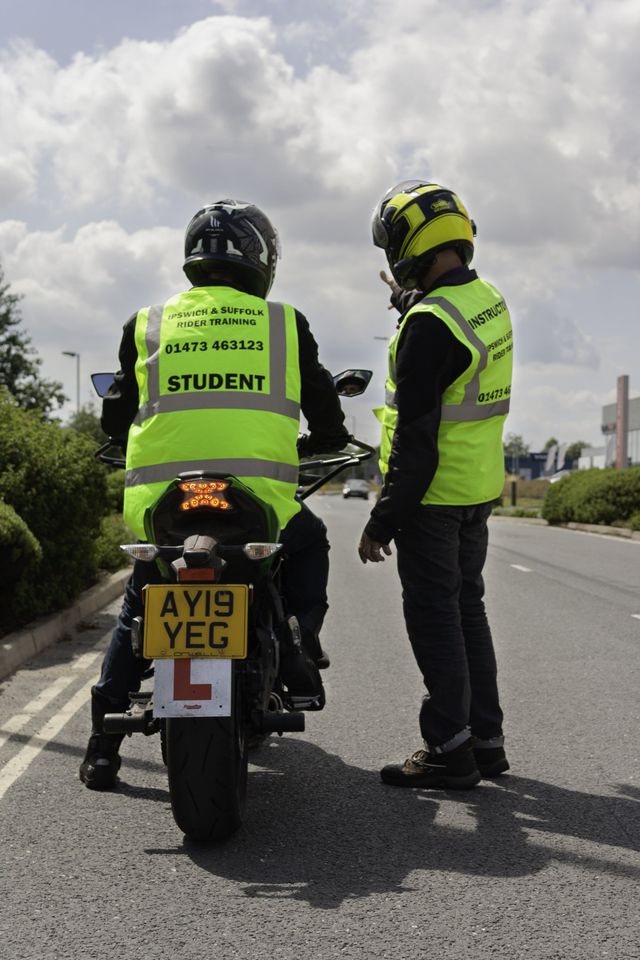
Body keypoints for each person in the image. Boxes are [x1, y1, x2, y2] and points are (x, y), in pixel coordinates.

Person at [80, 199, 350, 790]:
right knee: (309, 541)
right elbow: (324, 403)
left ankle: (103, 744)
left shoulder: (146, 323)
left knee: (142, 598)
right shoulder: (283, 324)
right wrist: (330, 438)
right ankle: (299, 645)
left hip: (163, 505)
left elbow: (115, 417)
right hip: (256, 501)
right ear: (261, 259)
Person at [359, 180, 513, 789]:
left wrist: (383, 519)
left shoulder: (428, 326)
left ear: (408, 243)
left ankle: (449, 748)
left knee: (434, 619)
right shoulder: (486, 300)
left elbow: (416, 444)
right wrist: (409, 303)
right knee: (467, 612)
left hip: (432, 498)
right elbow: (456, 356)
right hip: (476, 492)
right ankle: (486, 739)